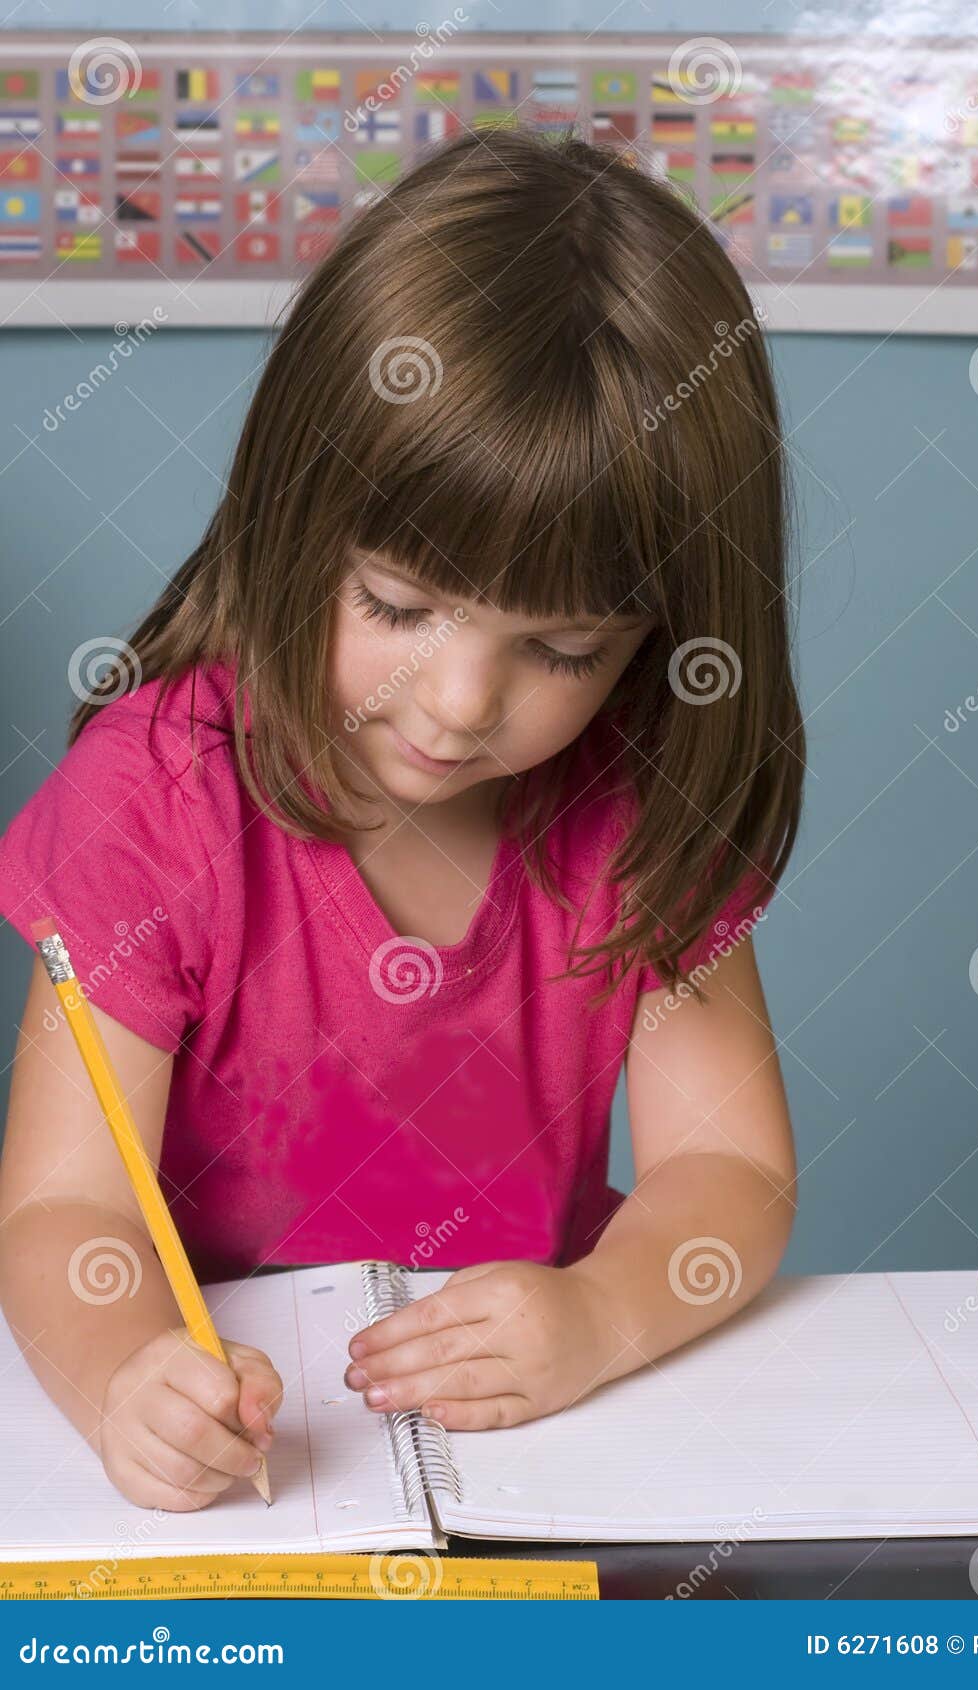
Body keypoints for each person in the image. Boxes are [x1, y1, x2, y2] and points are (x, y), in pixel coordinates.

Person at [0, 125, 802, 1512]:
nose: (462, 700)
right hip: (243, 1469)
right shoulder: (153, 797)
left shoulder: (636, 805)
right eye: (398, 608)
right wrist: (130, 1372)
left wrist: (602, 1316)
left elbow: (728, 1168)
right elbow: (62, 1211)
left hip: (535, 1461)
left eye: (564, 650)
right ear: (292, 522)